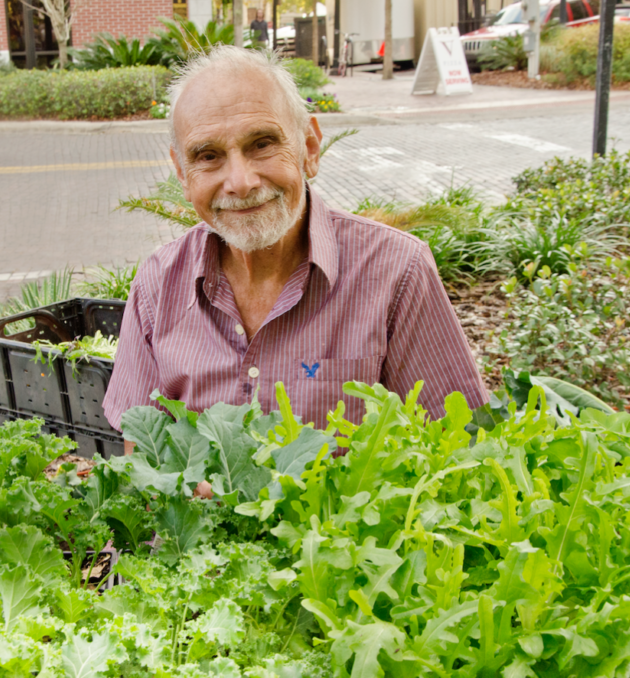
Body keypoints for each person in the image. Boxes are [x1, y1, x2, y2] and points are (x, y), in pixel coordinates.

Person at [103, 46, 488, 450]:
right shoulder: (157, 284)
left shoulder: (397, 272)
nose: (240, 181)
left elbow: (462, 450)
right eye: (209, 155)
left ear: (309, 148)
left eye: (262, 144)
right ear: (183, 173)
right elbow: (140, 456)